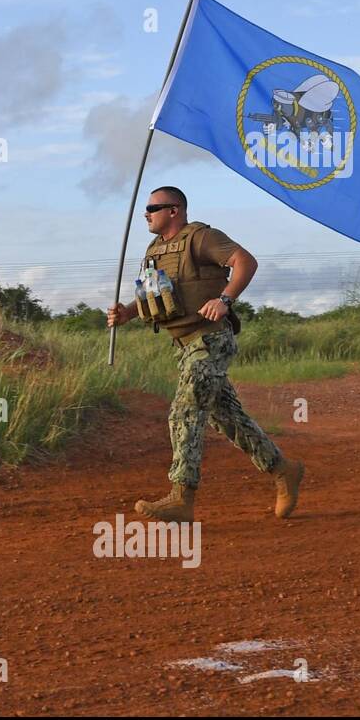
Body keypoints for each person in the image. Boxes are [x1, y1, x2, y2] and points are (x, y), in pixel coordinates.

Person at [105, 186, 305, 522]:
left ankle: (181, 497)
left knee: (184, 411)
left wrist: (224, 300)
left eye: (153, 207)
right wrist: (127, 313)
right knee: (227, 418)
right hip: (184, 347)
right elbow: (154, 297)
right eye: (146, 208)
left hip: (210, 340)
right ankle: (284, 470)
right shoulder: (154, 250)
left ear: (175, 210)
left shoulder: (201, 238)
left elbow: (245, 261)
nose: (146, 214)